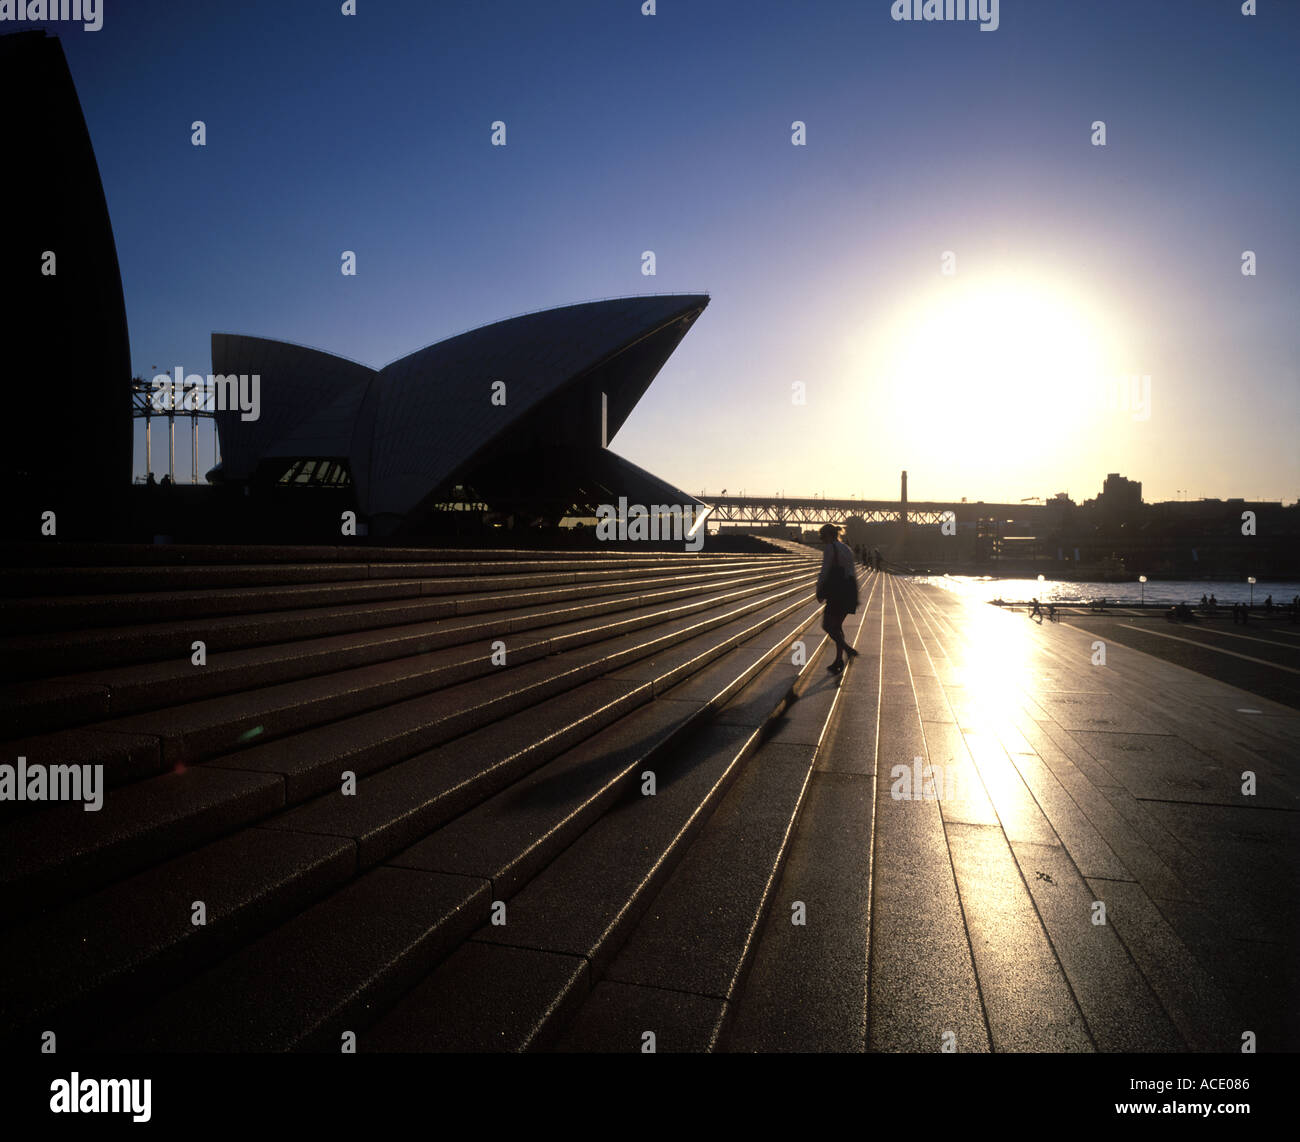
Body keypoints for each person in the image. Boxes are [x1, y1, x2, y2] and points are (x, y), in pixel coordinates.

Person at [816, 523, 859, 675]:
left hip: (837, 592)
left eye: (822, 536)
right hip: (849, 590)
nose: (821, 540)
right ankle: (838, 660)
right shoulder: (846, 548)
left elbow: (825, 570)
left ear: (828, 535)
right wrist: (855, 595)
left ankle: (847, 649)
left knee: (827, 625)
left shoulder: (830, 548)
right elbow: (852, 572)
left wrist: (819, 590)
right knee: (837, 626)